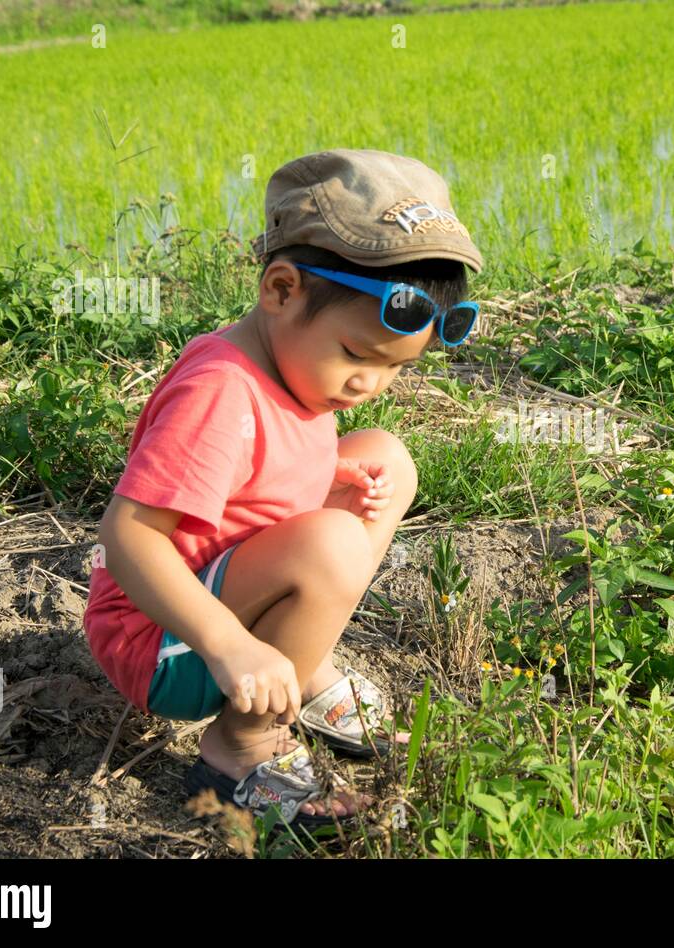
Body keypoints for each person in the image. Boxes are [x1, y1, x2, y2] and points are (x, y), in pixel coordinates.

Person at [84, 148, 484, 826]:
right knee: (330, 545)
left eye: (395, 370)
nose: (369, 385)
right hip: (164, 637)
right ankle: (239, 743)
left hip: (225, 581)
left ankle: (300, 663)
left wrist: (318, 472)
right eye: (357, 355)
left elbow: (251, 471)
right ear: (281, 290)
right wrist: (227, 644)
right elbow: (128, 539)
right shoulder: (219, 395)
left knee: (387, 456)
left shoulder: (290, 363)